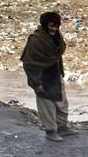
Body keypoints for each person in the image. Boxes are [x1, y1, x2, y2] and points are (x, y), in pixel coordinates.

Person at [20, 11, 71, 142]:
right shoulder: (35, 39)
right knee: (47, 105)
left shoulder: (57, 36)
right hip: (41, 76)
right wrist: (36, 82)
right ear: (45, 24)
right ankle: (51, 131)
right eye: (51, 26)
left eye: (56, 26)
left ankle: (62, 127)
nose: (54, 28)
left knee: (62, 103)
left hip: (55, 73)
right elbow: (29, 63)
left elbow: (57, 54)